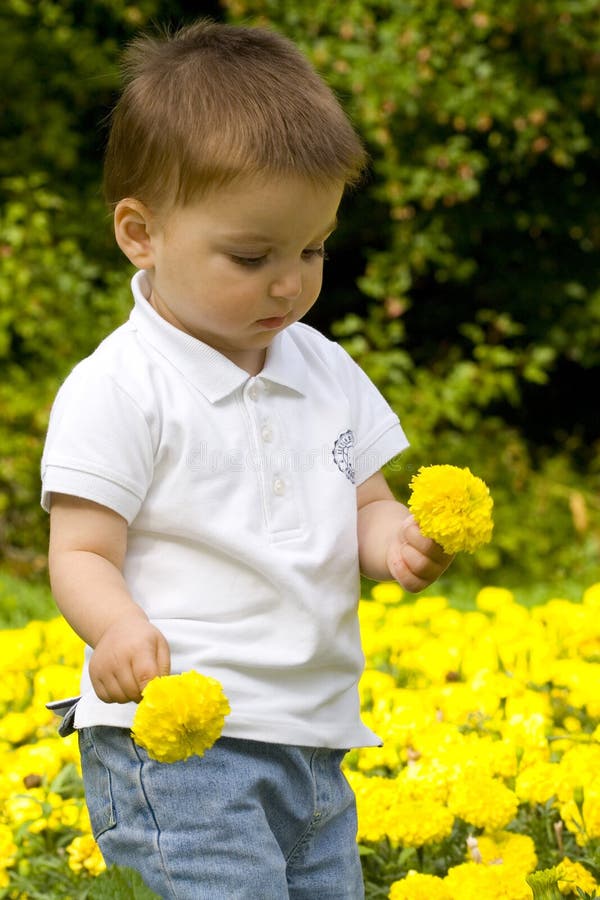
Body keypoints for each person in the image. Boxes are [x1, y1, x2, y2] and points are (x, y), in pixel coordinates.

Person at [41, 19, 452, 900]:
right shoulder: (121, 386)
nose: (289, 284)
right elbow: (80, 551)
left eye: (312, 250)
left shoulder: (325, 366)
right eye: (252, 255)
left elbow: (366, 502)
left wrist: (400, 543)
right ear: (140, 233)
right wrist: (113, 630)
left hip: (313, 737)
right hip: (181, 741)